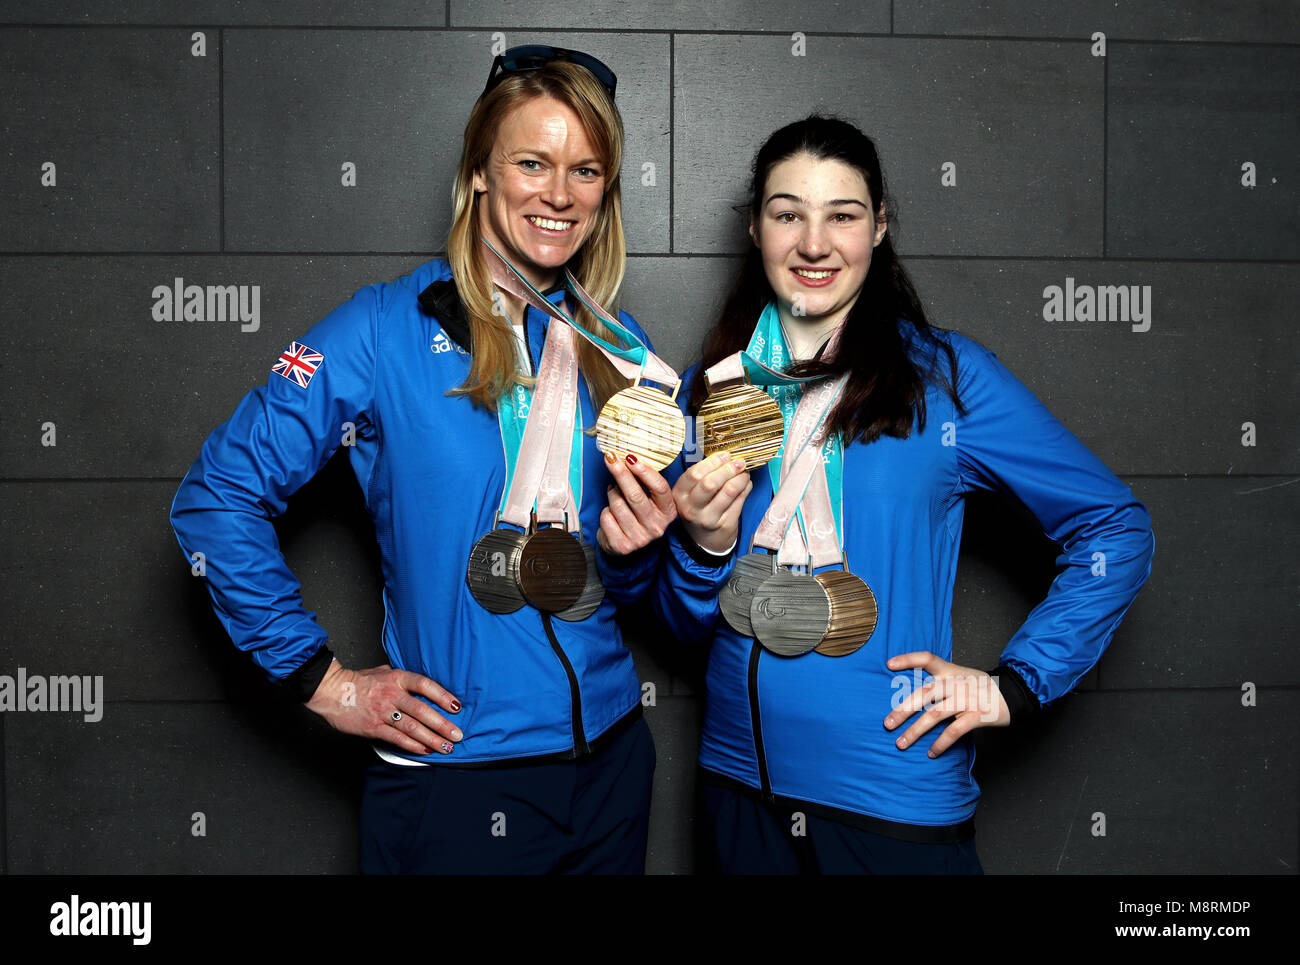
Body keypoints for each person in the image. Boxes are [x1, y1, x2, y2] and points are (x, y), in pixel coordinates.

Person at [170, 46, 677, 874]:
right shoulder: (381, 329)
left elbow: (627, 587)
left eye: (586, 170)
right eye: (531, 162)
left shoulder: (619, 351)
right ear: (480, 170)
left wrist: (640, 548)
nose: (559, 194)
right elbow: (215, 498)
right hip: (460, 783)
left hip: (614, 765)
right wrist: (325, 681)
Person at [654, 115, 1155, 874]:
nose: (814, 243)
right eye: (788, 213)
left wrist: (1015, 684)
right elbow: (683, 627)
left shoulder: (948, 381)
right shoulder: (712, 390)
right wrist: (704, 547)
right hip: (734, 793)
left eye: (843, 216)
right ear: (756, 228)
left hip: (889, 807)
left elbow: (1115, 527)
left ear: (879, 227)